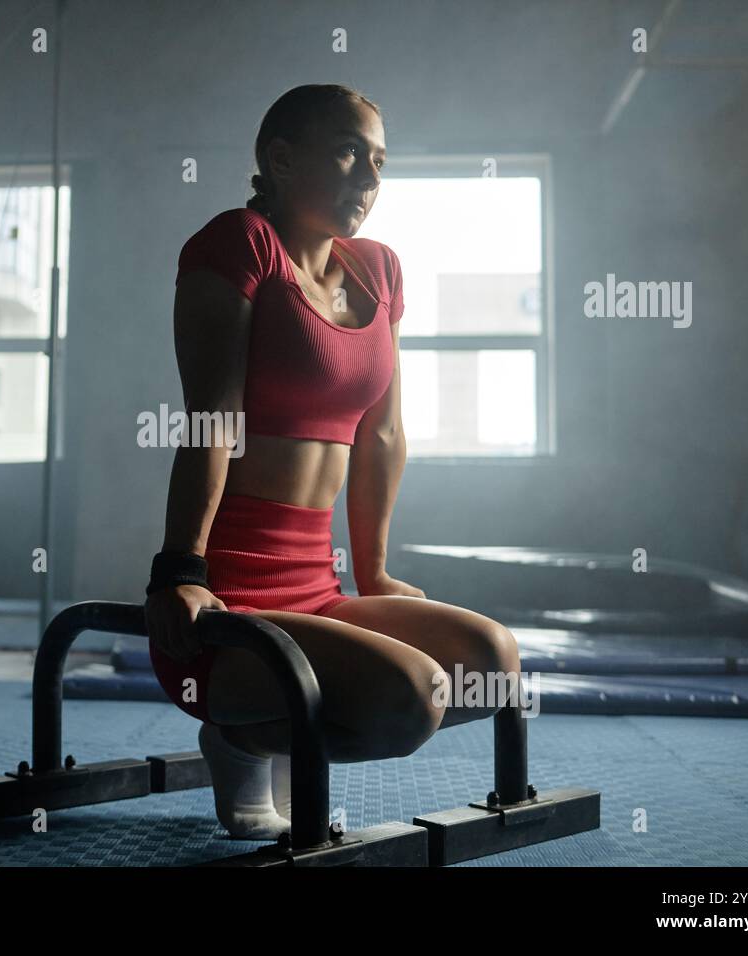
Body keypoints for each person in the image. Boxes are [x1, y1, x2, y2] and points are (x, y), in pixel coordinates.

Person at [143, 84, 523, 840]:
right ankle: (243, 737)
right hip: (230, 601)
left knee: (492, 665)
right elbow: (213, 420)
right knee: (412, 699)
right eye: (350, 153)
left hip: (319, 586)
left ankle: (265, 732)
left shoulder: (379, 269)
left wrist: (375, 570)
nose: (370, 178)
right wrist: (181, 572)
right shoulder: (239, 244)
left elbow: (383, 433)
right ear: (281, 159)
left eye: (380, 161)